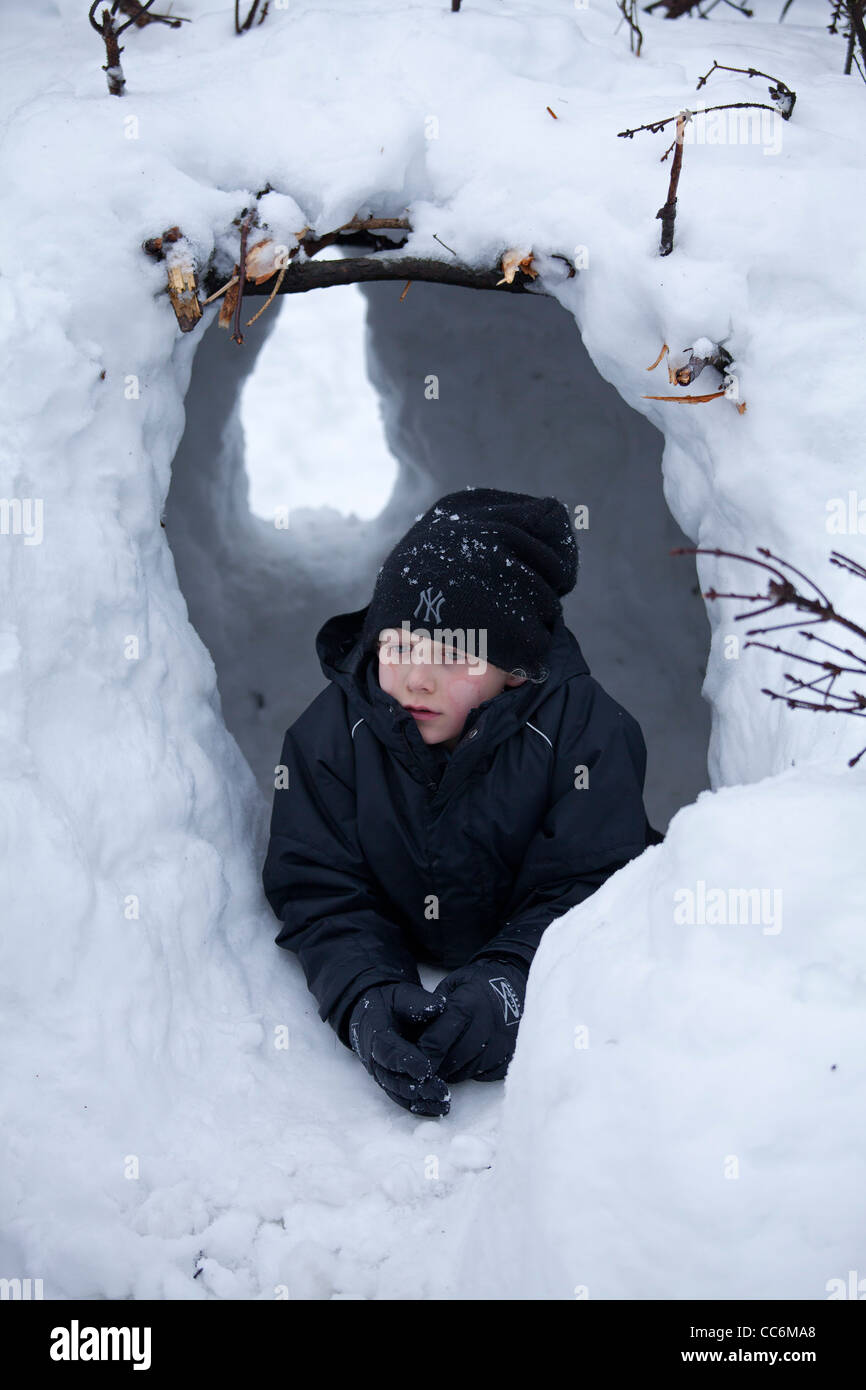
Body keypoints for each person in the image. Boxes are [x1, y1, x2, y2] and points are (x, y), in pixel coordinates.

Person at [262, 487, 663, 1117]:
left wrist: (513, 980)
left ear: (516, 669)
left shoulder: (584, 732)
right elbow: (319, 885)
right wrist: (366, 990)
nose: (418, 678)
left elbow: (597, 881)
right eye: (398, 646)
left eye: (452, 656)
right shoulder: (331, 737)